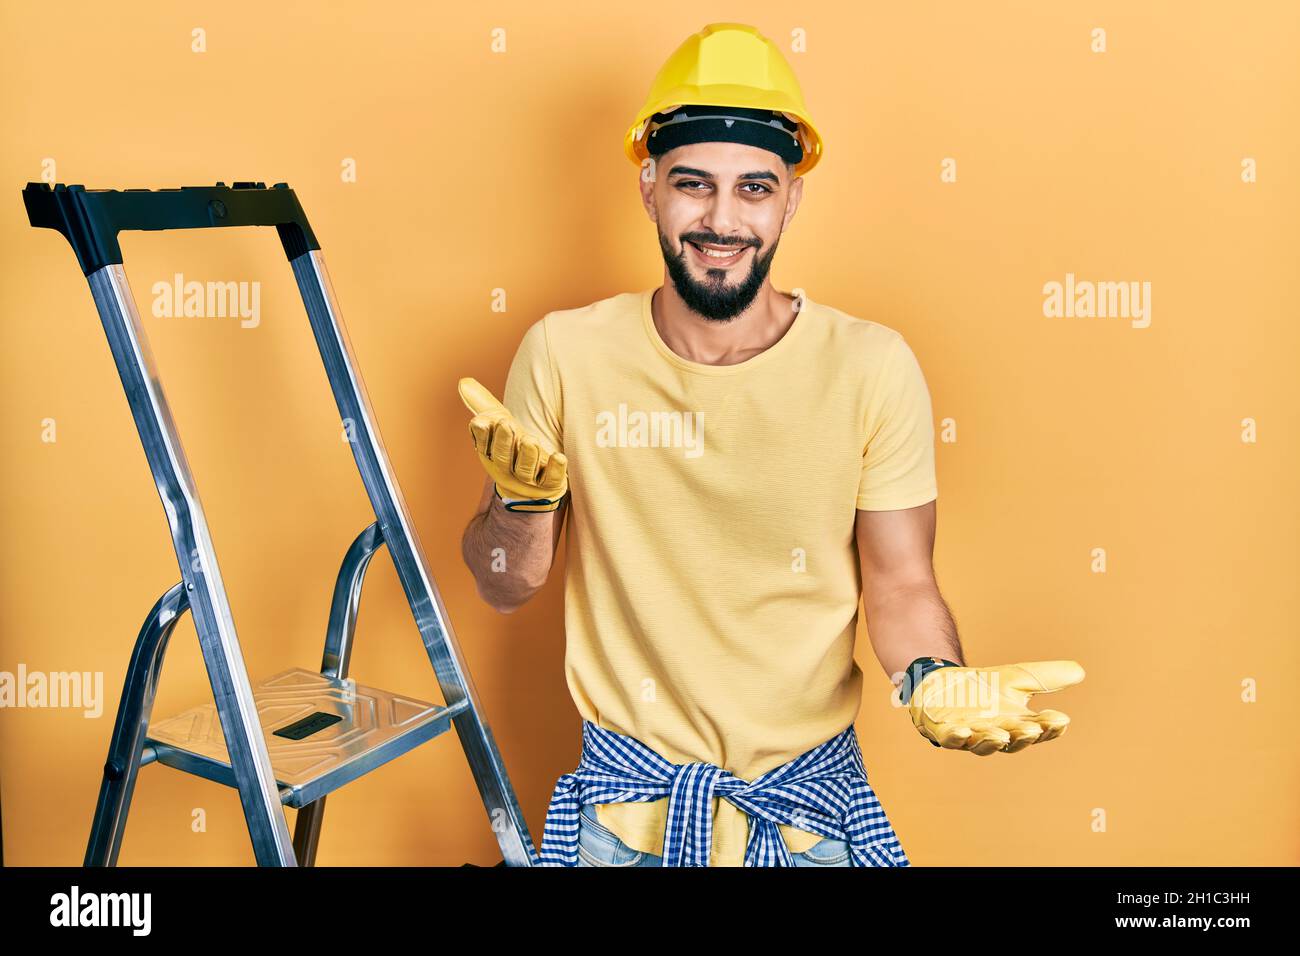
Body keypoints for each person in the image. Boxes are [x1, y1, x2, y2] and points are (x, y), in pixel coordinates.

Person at [459, 22, 1085, 867]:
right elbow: (504, 587)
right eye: (693, 185)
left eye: (755, 188)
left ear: (791, 198)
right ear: (648, 188)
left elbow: (900, 583)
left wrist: (934, 678)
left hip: (806, 814)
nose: (722, 220)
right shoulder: (566, 353)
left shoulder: (870, 367)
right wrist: (520, 504)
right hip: (623, 817)